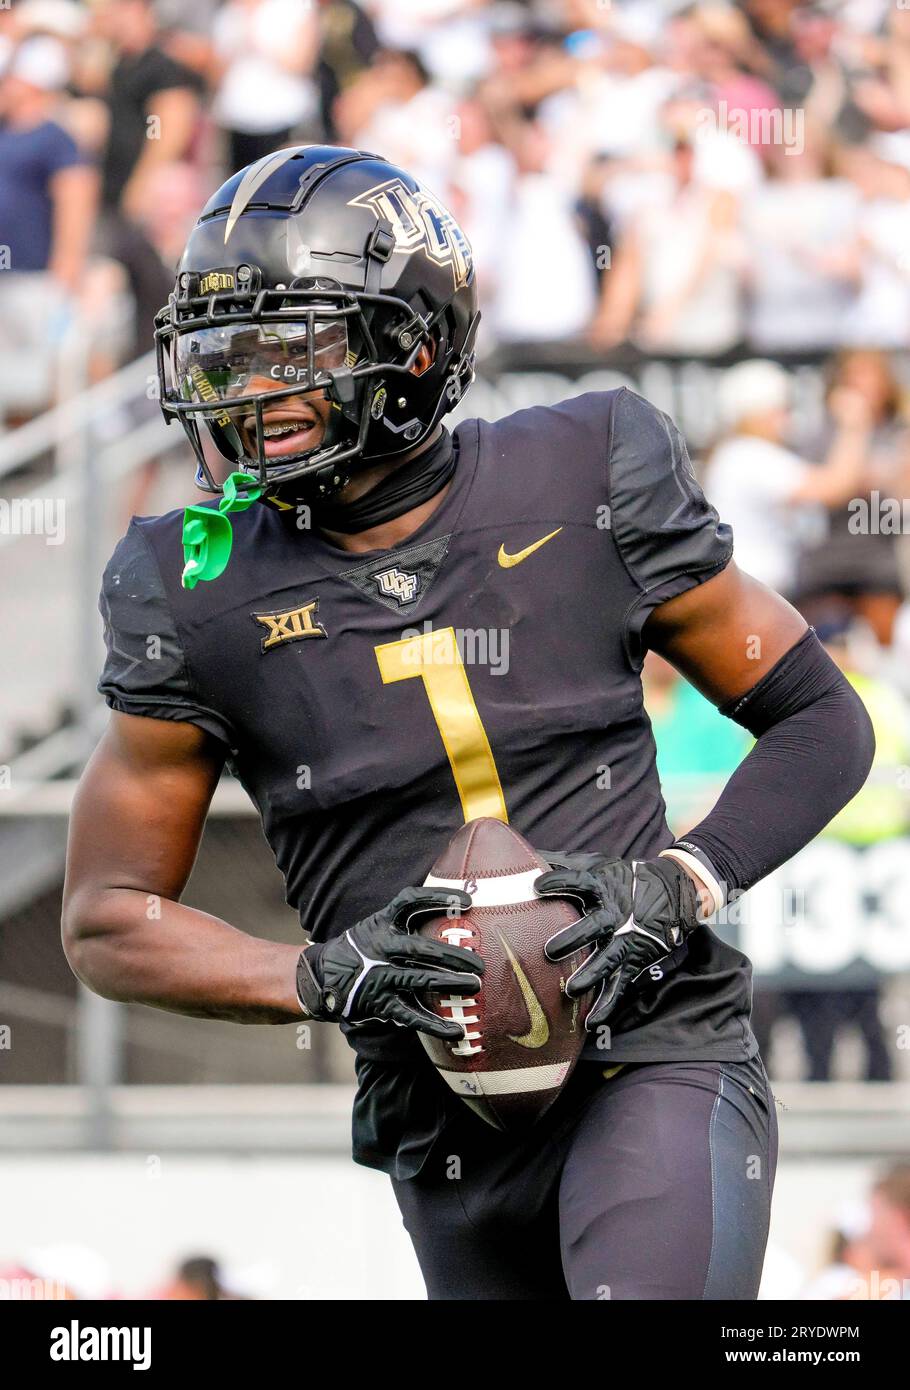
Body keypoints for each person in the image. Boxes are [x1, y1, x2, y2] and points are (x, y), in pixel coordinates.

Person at [62, 145, 874, 1302]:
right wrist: (320, 974)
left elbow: (817, 718)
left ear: (418, 343)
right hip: (431, 1099)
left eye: (296, 346)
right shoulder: (186, 584)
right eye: (225, 349)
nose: (251, 387)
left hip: (648, 1044)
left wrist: (683, 879)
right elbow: (106, 916)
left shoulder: (586, 469)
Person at [705, 358, 872, 598]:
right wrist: (855, 426)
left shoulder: (735, 453)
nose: (786, 419)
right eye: (779, 410)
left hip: (755, 592)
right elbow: (835, 487)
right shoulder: (747, 453)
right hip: (753, 595)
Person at [0, 34, 97, 418]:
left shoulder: (55, 138)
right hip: (9, 278)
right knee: (13, 379)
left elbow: (75, 200)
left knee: (48, 376)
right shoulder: (6, 133)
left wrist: (67, 267)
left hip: (39, 278)